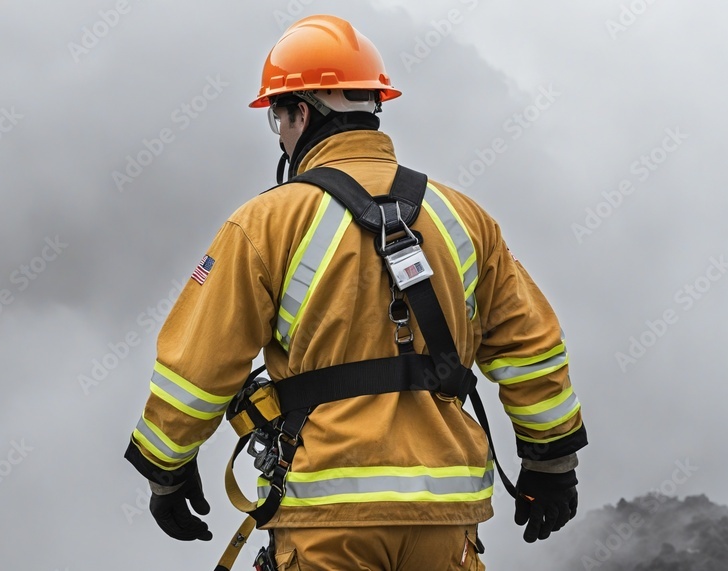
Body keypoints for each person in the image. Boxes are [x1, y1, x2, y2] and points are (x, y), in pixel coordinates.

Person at [124, 14, 587, 570]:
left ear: (301, 112)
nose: (279, 131)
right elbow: (531, 348)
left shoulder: (264, 223)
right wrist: (550, 464)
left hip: (328, 517)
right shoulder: (466, 218)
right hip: (445, 516)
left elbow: (197, 365)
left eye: (276, 116)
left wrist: (166, 469)